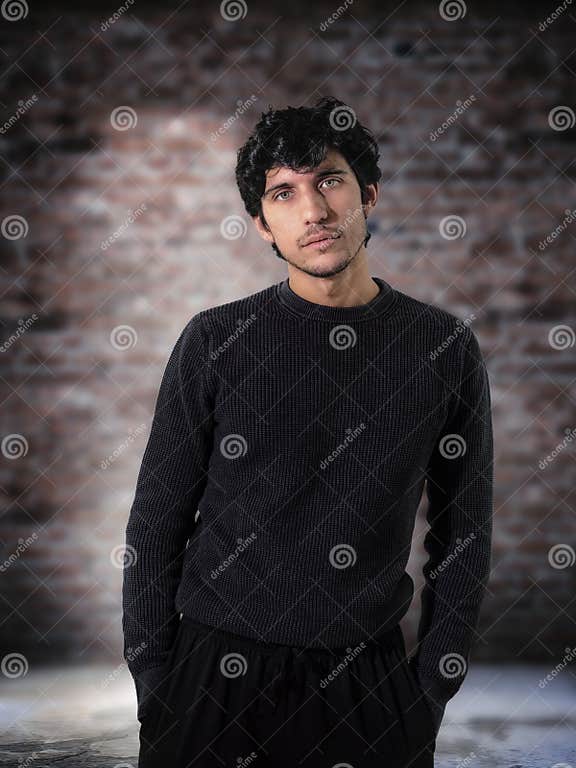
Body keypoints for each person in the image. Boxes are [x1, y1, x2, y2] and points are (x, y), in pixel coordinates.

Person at [122, 96, 494, 768]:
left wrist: (431, 691)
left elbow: (462, 535)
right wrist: (158, 687)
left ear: (368, 194)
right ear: (262, 224)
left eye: (329, 181)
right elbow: (156, 523)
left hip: (367, 680)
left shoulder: (441, 347)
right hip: (214, 678)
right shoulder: (215, 340)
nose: (314, 211)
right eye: (284, 193)